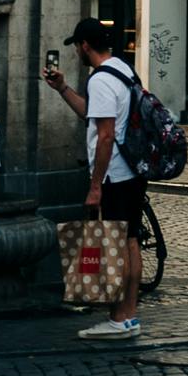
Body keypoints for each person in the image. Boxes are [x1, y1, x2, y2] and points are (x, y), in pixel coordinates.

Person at [43, 19, 146, 339]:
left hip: (114, 174)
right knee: (130, 242)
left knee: (116, 242)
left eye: (77, 46)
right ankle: (129, 315)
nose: (75, 51)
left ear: (85, 46)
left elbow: (104, 135)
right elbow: (94, 114)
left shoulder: (100, 80)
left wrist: (95, 185)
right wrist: (62, 88)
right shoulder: (123, 69)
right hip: (133, 170)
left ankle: (118, 317)